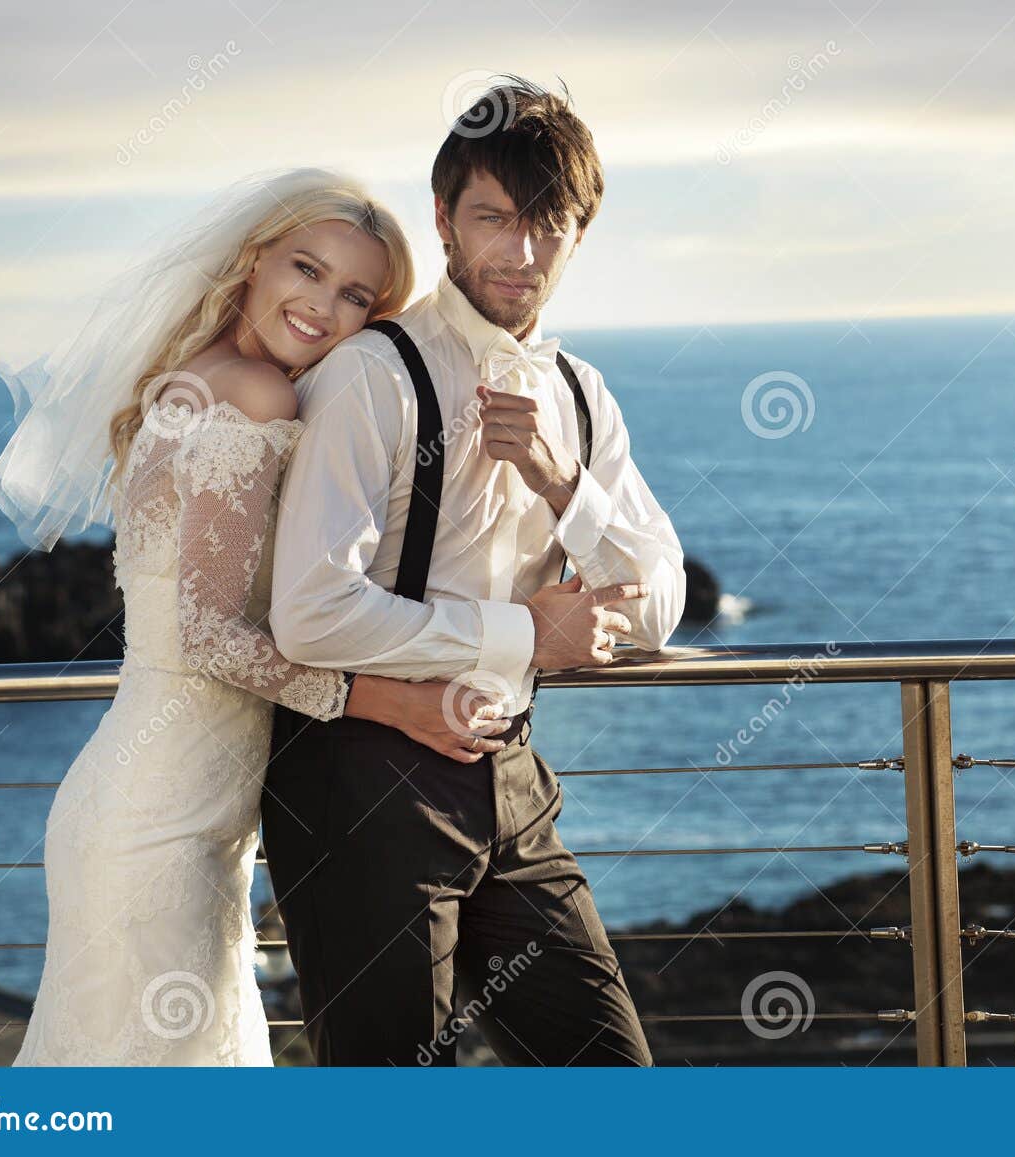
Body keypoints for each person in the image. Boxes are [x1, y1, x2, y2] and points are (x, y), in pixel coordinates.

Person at [0, 169, 514, 1065]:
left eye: (355, 295)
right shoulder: (257, 398)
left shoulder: (190, 379)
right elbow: (208, 638)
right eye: (305, 269)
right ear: (252, 262)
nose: (322, 307)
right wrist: (393, 701)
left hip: (147, 803)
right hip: (164, 823)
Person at [262, 79, 686, 1066]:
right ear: (445, 220)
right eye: (494, 217)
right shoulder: (375, 373)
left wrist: (560, 480)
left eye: (550, 224)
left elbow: (657, 606)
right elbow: (311, 612)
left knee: (610, 1074)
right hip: (362, 788)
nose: (522, 251)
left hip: (515, 782)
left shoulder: (582, 397)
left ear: (580, 234)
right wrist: (528, 635)